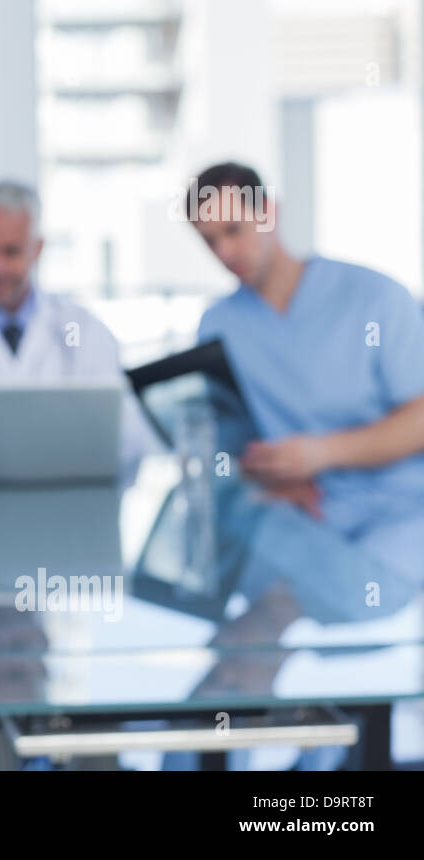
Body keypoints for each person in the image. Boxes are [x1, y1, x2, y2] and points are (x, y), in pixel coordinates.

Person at [181, 160, 424, 771]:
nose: (226, 252)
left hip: (399, 518)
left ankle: (321, 766)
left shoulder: (372, 298)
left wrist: (318, 454)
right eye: (210, 242)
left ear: (270, 213)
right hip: (299, 521)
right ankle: (206, 749)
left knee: (352, 611)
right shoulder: (220, 325)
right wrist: (267, 473)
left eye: (234, 230)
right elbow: (230, 443)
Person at [0, 180, 154, 483]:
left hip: (69, 513)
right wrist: (52, 443)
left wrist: (4, 445)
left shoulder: (82, 329)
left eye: (11, 252)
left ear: (37, 249)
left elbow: (128, 435)